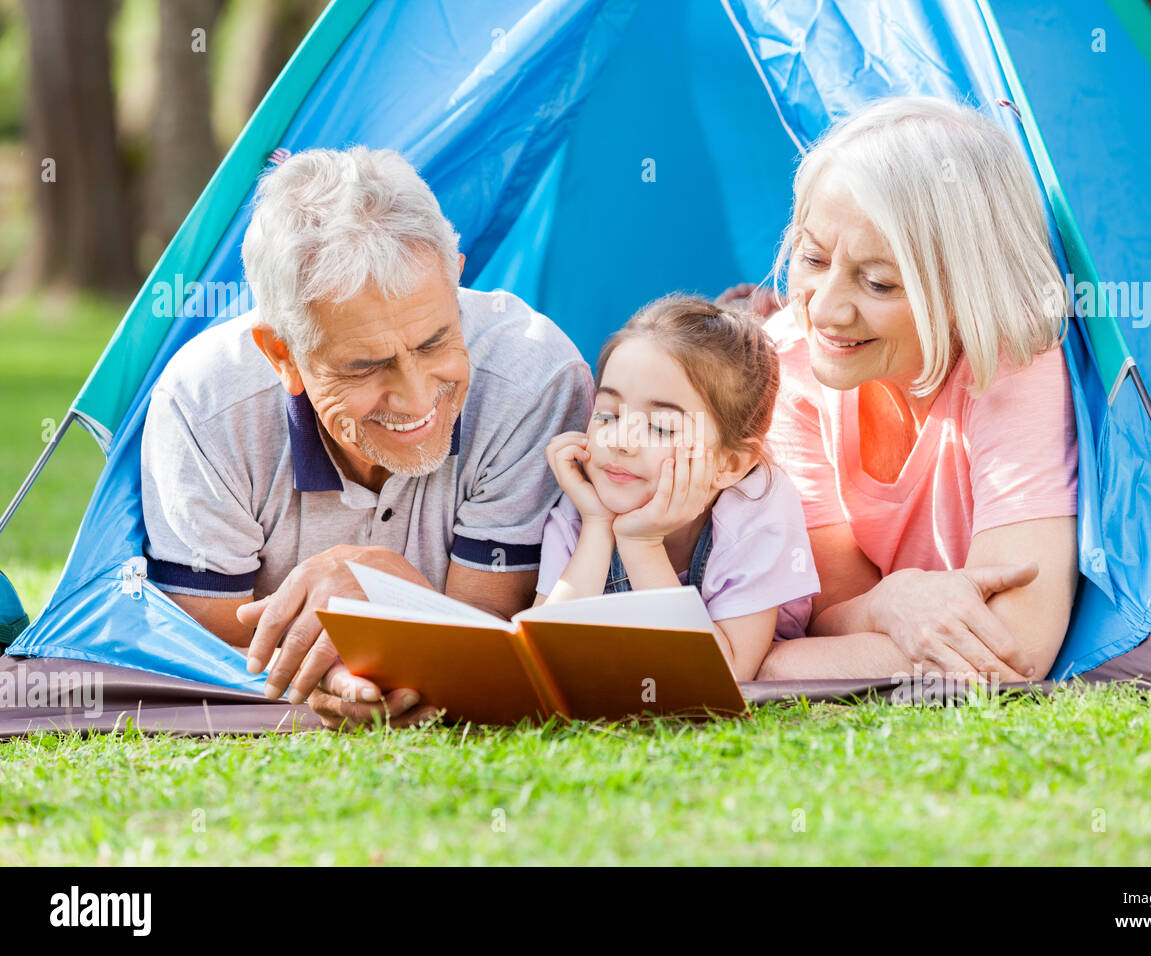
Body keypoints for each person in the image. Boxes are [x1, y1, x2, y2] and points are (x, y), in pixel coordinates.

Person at [139, 146, 593, 727]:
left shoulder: (534, 379)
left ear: (455, 274)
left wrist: (386, 588)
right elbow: (207, 640)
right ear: (283, 354)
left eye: (434, 342)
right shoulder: (204, 406)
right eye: (364, 366)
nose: (416, 398)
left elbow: (495, 624)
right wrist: (327, 677)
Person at [751, 96, 1080, 684]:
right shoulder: (792, 365)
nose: (825, 309)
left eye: (878, 282)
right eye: (813, 258)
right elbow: (833, 611)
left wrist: (774, 665)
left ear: (966, 288)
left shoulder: (1010, 363)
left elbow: (1015, 644)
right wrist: (889, 602)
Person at [535, 295, 820, 681]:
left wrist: (642, 545)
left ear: (730, 464)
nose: (622, 440)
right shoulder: (585, 503)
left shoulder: (757, 510)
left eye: (661, 427)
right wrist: (598, 527)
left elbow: (719, 675)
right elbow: (543, 657)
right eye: (608, 414)